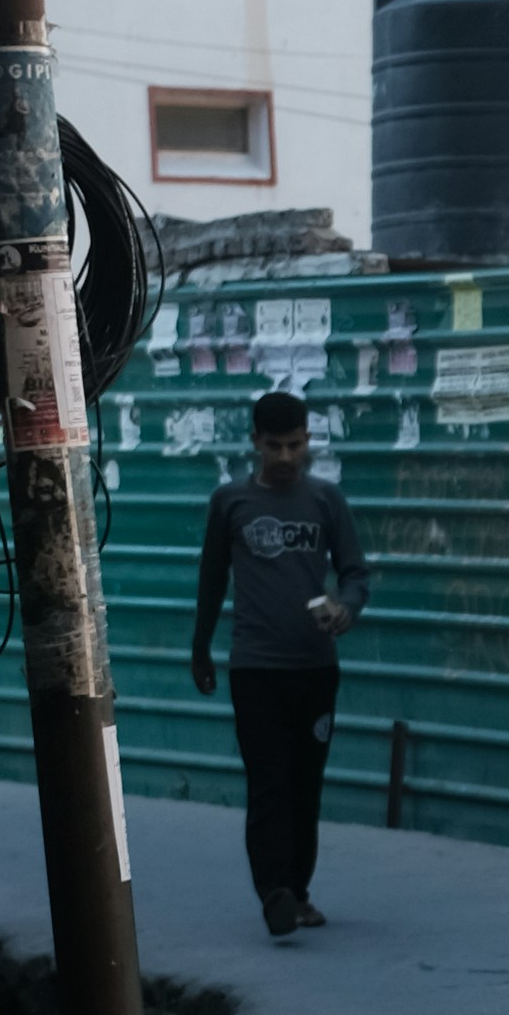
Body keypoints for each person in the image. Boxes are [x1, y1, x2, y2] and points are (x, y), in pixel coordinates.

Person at [190, 389, 368, 939]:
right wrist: (200, 647)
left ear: (308, 440)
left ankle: (300, 892)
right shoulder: (230, 504)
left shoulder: (326, 502)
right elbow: (213, 579)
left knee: (304, 785)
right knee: (269, 782)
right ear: (255, 443)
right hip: (256, 669)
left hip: (315, 669)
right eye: (275, 446)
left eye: (295, 445)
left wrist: (346, 608)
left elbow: (355, 573)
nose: (286, 457)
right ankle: (274, 891)